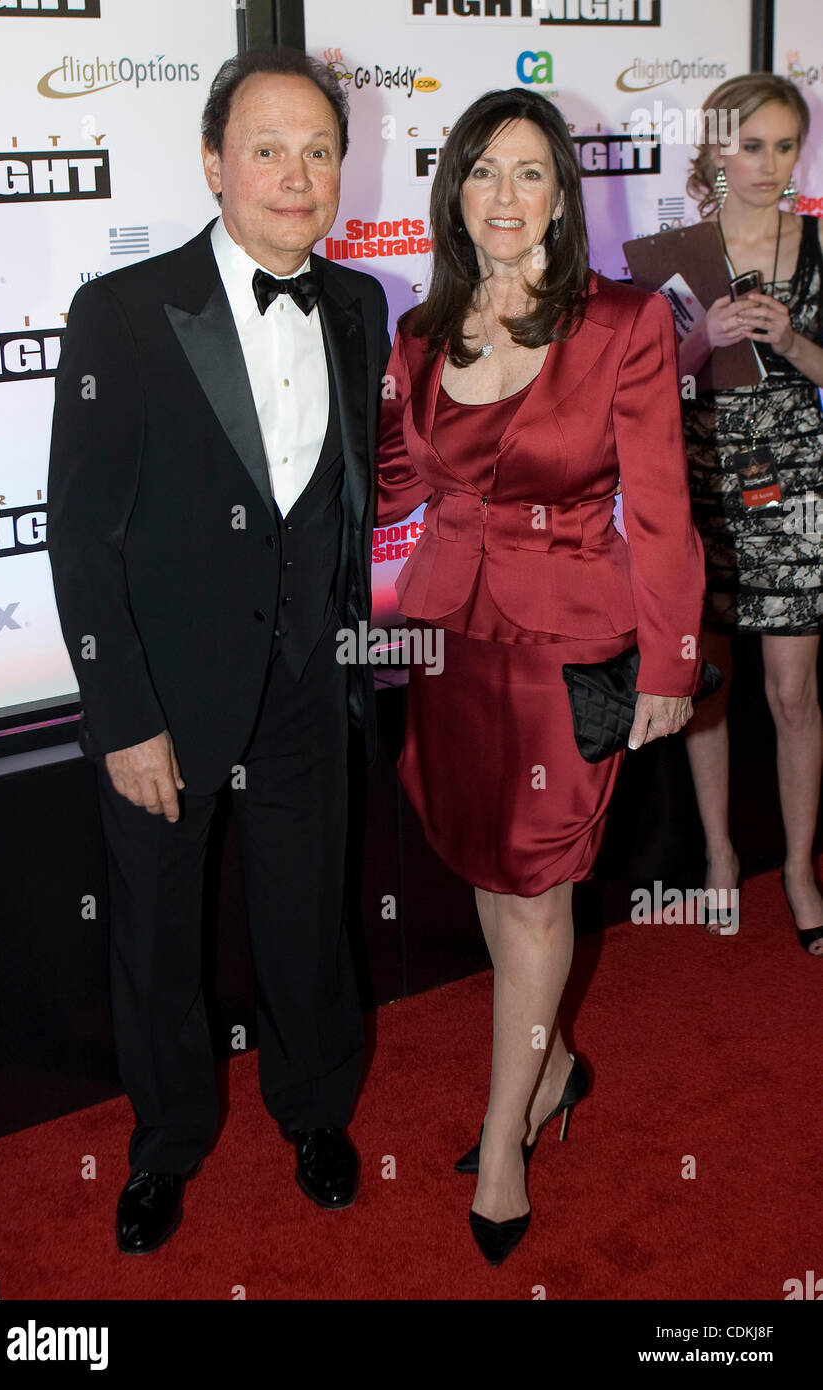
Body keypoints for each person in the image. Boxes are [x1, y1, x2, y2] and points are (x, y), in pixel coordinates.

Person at [46, 47, 390, 1254]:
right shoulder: (124, 313)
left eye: (317, 150)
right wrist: (122, 716)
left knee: (306, 915)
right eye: (265, 148)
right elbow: (81, 535)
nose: (295, 176)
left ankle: (314, 1112)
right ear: (212, 162)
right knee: (156, 930)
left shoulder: (358, 307)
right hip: (164, 694)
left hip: (305, 679)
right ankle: (165, 1144)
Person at [376, 88, 705, 1266]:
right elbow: (390, 491)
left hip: (570, 643)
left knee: (539, 884)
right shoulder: (418, 335)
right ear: (452, 192)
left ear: (561, 195)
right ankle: (553, 1058)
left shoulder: (619, 321)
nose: (503, 195)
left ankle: (505, 1132)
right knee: (483, 863)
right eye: (481, 171)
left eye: (528, 173)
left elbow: (660, 510)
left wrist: (669, 660)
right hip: (451, 643)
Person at [678, 74, 823, 955]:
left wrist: (791, 340)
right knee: (710, 692)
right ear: (716, 147)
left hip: (799, 487)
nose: (768, 165)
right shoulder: (679, 252)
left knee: (793, 693)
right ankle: (720, 856)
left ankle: (801, 867)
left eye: (785, 146)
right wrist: (709, 337)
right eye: (752, 144)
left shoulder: (814, 246)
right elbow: (649, 377)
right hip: (700, 483)